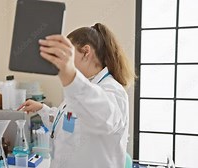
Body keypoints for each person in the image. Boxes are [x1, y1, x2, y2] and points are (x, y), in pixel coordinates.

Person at [19, 23, 135, 168]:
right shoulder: (84, 89)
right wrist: (42, 109)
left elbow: (103, 119)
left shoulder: (112, 90)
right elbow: (69, 122)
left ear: (86, 52)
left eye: (69, 54)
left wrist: (70, 75)